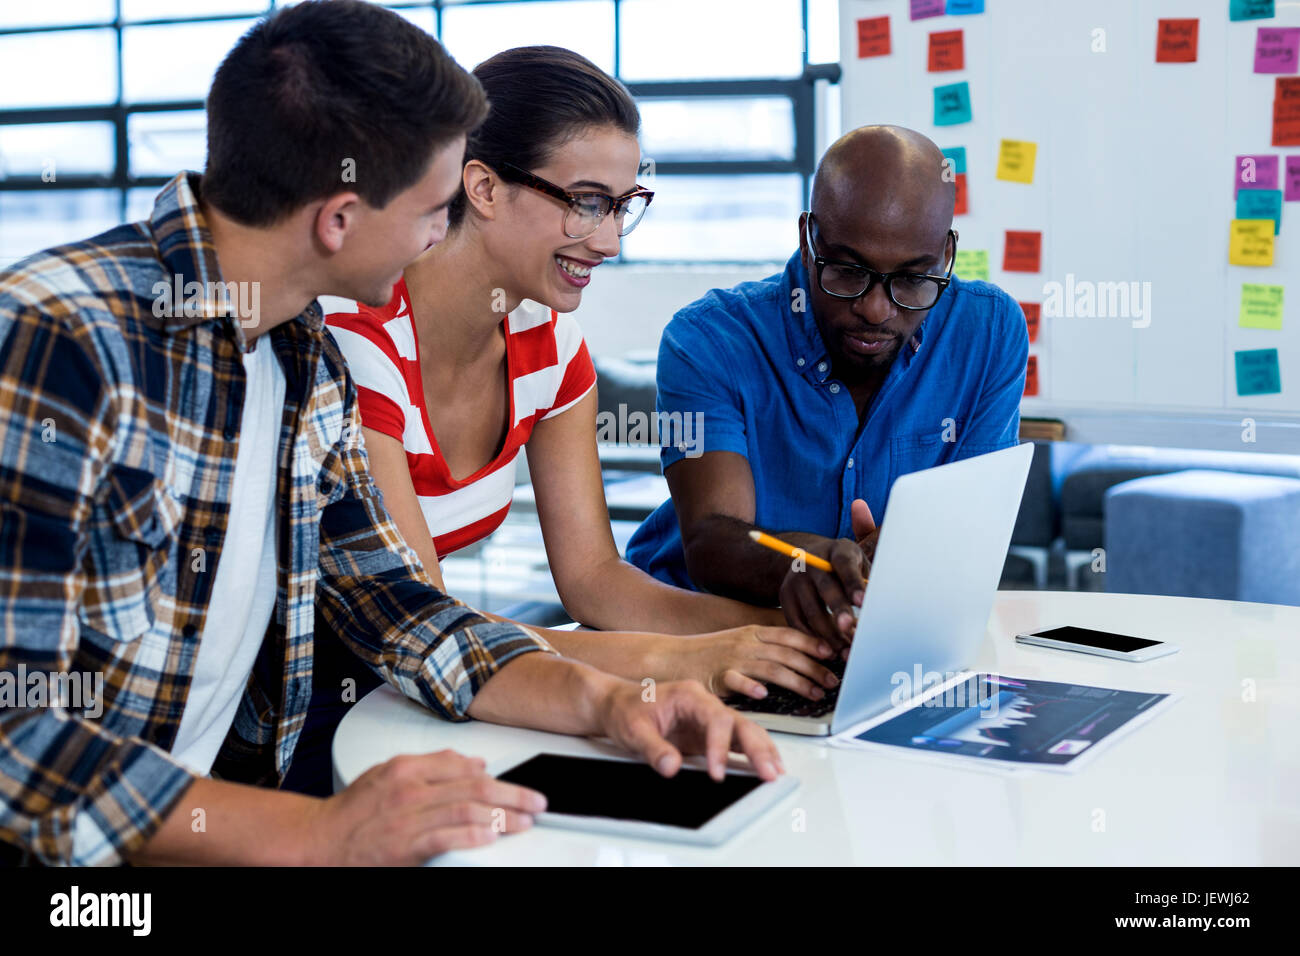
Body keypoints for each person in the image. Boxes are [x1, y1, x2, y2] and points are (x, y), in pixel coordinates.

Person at [0, 1, 781, 868]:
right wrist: (319, 833)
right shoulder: (60, 338)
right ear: (339, 219)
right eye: (434, 209)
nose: (440, 236)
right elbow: (16, 738)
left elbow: (401, 610)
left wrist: (611, 700)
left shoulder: (302, 357)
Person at [319, 46, 838, 715]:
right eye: (588, 203)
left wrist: (789, 635)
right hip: (324, 703)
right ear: (482, 188)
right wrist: (680, 662)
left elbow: (595, 581)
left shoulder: (552, 344)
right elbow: (424, 623)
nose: (610, 241)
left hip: (431, 693)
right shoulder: (357, 342)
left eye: (623, 206)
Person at [625, 125, 1029, 651]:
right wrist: (808, 561)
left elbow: (972, 532)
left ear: (946, 253)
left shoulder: (988, 331)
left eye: (912, 279)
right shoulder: (709, 340)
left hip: (873, 645)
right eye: (847, 270)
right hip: (692, 637)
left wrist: (914, 560)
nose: (875, 309)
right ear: (807, 238)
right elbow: (712, 538)